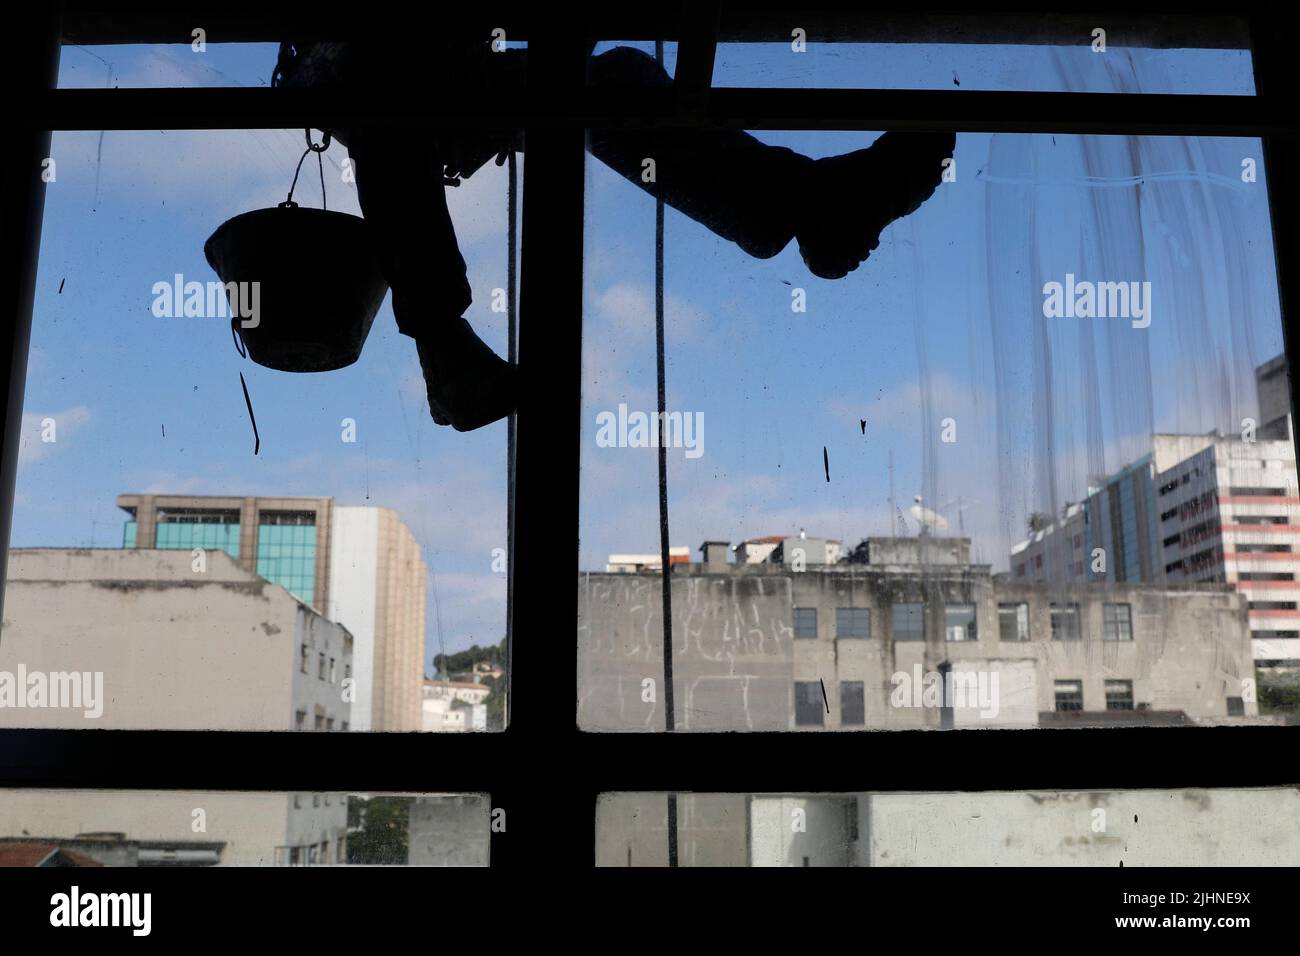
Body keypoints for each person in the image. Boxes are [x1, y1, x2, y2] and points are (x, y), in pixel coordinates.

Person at [273, 38, 954, 431]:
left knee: (610, 83)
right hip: (371, 61)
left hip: (377, 62)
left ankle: (801, 205)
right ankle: (801, 205)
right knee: (605, 85)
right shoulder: (358, 64)